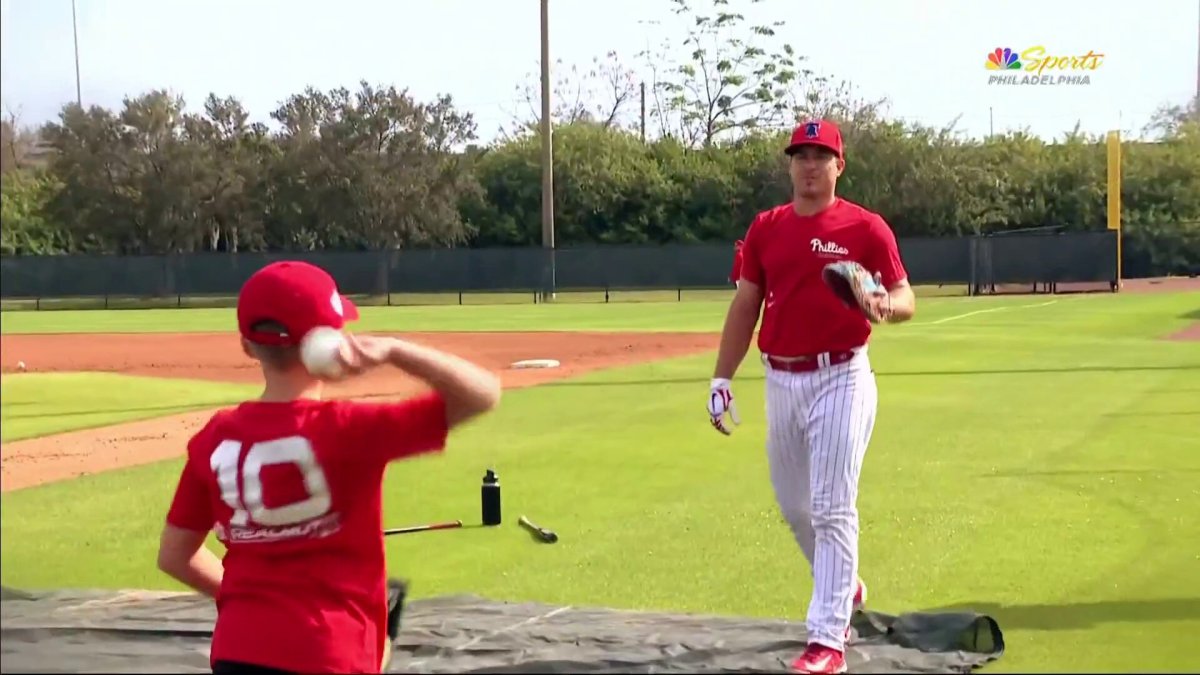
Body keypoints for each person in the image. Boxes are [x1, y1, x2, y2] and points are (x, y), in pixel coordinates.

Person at [156, 260, 502, 675]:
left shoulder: (214, 438)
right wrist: (394, 349)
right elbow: (482, 394)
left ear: (248, 346)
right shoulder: (349, 429)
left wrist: (245, 600)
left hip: (238, 649)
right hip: (331, 651)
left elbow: (175, 556)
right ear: (332, 341)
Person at [706, 119, 915, 675]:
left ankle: (827, 639)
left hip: (842, 375)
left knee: (830, 506)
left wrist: (881, 306)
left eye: (821, 155)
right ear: (790, 165)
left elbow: (904, 296)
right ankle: (845, 587)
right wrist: (722, 378)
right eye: (800, 154)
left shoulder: (865, 228)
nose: (809, 164)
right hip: (783, 379)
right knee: (796, 508)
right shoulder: (767, 228)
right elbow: (746, 304)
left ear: (838, 166)